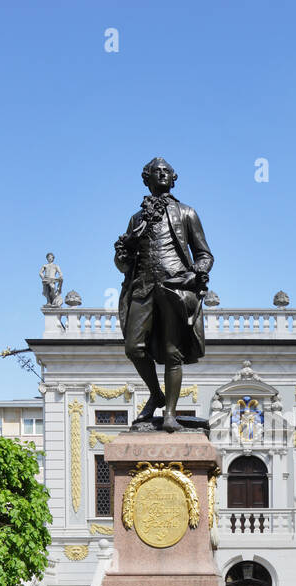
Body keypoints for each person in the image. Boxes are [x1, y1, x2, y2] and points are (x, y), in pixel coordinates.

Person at [114, 157, 213, 432]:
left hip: (175, 286)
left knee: (173, 352)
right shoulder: (136, 219)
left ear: (173, 178)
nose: (161, 174)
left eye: (166, 171)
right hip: (143, 286)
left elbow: (204, 253)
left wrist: (199, 271)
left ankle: (169, 413)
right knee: (133, 347)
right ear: (146, 178)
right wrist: (121, 253)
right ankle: (155, 393)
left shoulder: (187, 213)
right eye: (155, 172)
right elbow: (124, 265)